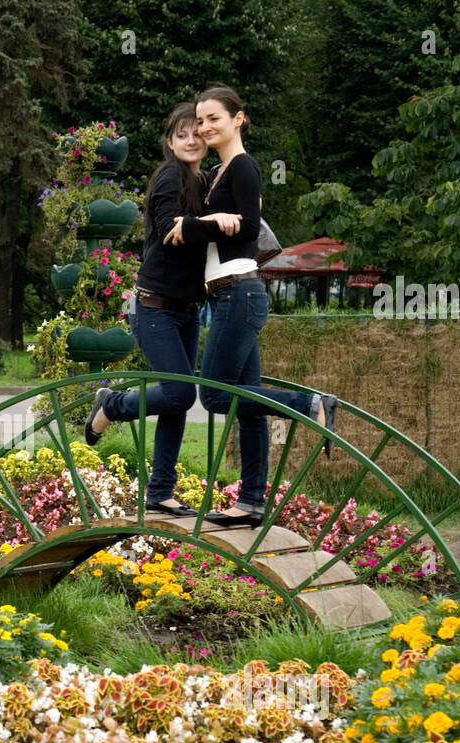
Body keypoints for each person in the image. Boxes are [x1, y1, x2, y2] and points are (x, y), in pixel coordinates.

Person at [160, 84, 338, 528]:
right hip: (228, 293)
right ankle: (251, 503)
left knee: (218, 395)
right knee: (248, 404)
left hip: (237, 292)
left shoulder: (243, 166)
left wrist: (192, 225)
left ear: (238, 119)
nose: (204, 127)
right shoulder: (218, 173)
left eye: (213, 119)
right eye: (199, 120)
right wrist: (201, 221)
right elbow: (223, 224)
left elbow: (246, 231)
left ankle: (310, 403)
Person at [84, 102, 242, 517]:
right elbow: (175, 229)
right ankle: (111, 405)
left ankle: (160, 492)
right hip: (154, 305)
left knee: (175, 400)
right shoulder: (170, 175)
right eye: (182, 134)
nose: (191, 140)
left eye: (197, 134)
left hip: (187, 307)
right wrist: (218, 218)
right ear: (170, 142)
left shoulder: (203, 178)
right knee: (179, 392)